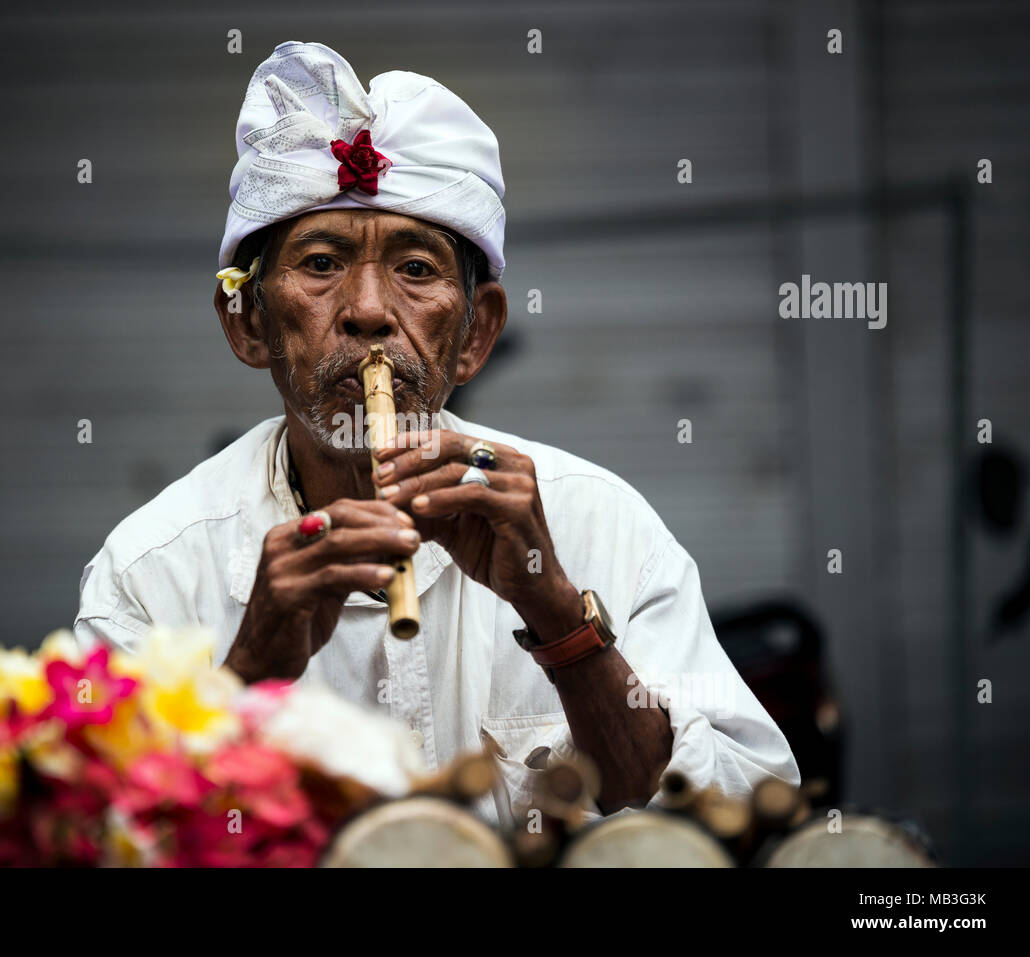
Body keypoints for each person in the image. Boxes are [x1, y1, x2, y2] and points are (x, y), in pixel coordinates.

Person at [75, 40, 799, 829]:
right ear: (248, 324)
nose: (369, 311)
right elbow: (101, 838)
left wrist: (560, 617)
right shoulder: (150, 573)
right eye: (321, 263)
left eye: (417, 270)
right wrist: (247, 675)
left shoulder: (600, 523)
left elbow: (748, 815)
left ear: (475, 333)